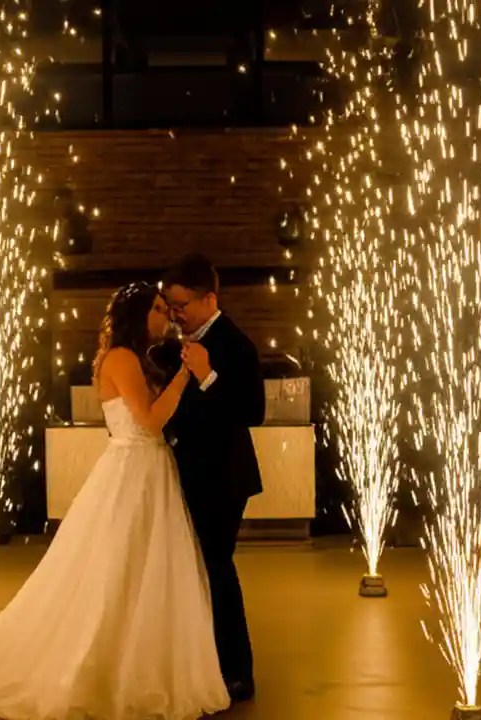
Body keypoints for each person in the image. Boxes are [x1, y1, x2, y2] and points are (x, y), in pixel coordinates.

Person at [0, 282, 230, 720]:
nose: (164, 316)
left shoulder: (134, 357)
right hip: (136, 469)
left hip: (148, 470)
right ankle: (105, 665)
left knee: (141, 568)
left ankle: (132, 662)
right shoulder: (122, 358)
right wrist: (186, 376)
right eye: (156, 308)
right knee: (119, 566)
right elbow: (149, 422)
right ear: (136, 314)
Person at [159, 253, 265, 703]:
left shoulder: (236, 345)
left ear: (209, 299)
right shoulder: (178, 343)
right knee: (197, 569)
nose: (175, 314)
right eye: (171, 305)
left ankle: (237, 672)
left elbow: (253, 412)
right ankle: (203, 662)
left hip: (222, 477)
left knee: (217, 568)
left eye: (182, 305)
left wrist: (207, 376)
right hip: (190, 473)